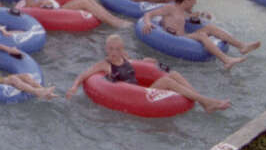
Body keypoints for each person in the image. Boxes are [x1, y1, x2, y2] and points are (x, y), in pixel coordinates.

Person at [64, 35, 230, 112]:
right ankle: (206, 102)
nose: (114, 52)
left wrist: (147, 61)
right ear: (106, 49)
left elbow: (137, 64)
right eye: (111, 49)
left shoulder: (125, 58)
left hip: (141, 90)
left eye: (117, 49)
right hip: (131, 95)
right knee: (168, 82)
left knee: (175, 75)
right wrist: (73, 87)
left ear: (122, 50)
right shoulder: (105, 65)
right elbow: (84, 75)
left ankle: (201, 101)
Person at [141, 0, 259, 68]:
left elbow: (192, 18)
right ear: (186, 1)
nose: (195, 3)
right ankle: (226, 60)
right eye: (193, 1)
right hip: (174, 37)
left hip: (183, 36)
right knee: (202, 35)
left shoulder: (184, 11)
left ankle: (242, 46)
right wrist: (147, 23)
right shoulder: (170, 8)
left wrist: (204, 15)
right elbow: (149, 14)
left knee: (211, 28)